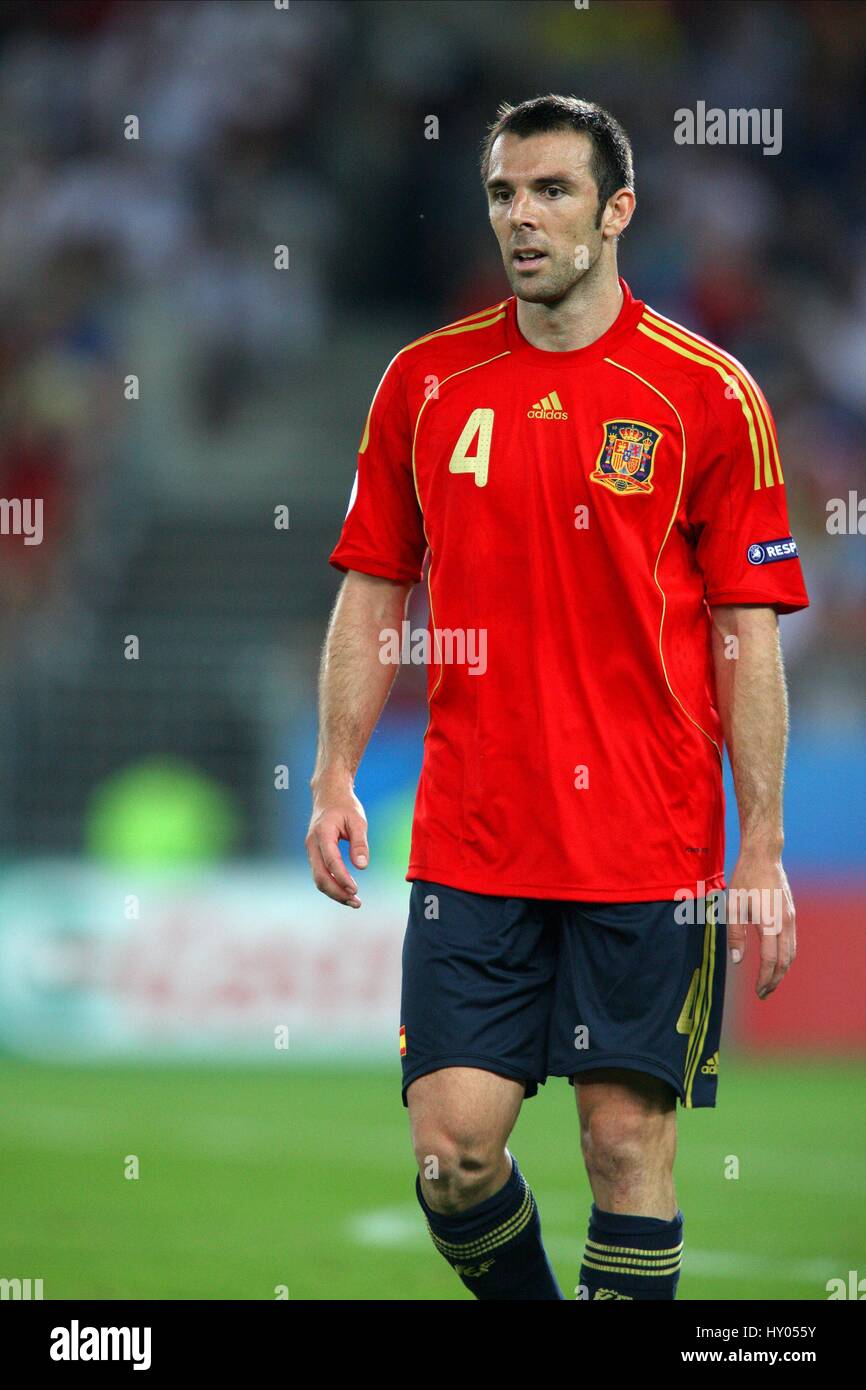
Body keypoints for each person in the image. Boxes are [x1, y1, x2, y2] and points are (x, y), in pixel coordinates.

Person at [307, 95, 809, 1301]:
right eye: (500, 194)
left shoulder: (706, 394)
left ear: (615, 209)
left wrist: (762, 846)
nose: (520, 219)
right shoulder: (424, 384)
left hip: (648, 841)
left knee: (622, 1147)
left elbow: (746, 636)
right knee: (453, 1155)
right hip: (477, 834)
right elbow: (375, 588)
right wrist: (331, 770)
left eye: (550, 192)